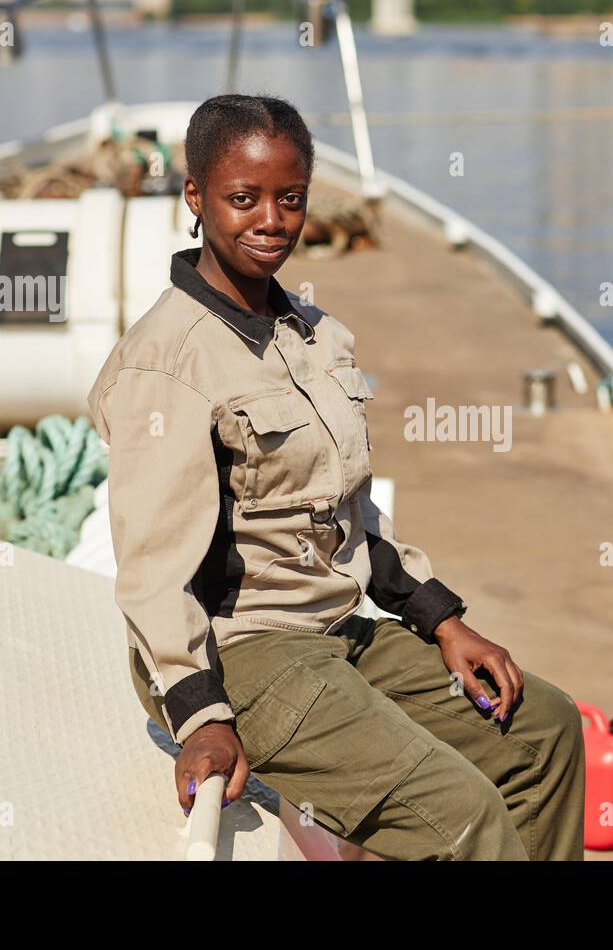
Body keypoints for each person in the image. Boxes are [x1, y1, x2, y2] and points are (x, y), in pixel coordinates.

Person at [86, 94, 585, 860]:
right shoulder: (169, 361)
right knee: (461, 816)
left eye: (290, 199)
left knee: (543, 730)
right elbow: (154, 573)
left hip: (337, 629)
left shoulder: (314, 335)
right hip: (242, 649)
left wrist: (442, 620)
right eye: (243, 198)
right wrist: (200, 715)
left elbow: (346, 513)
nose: (271, 221)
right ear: (195, 197)